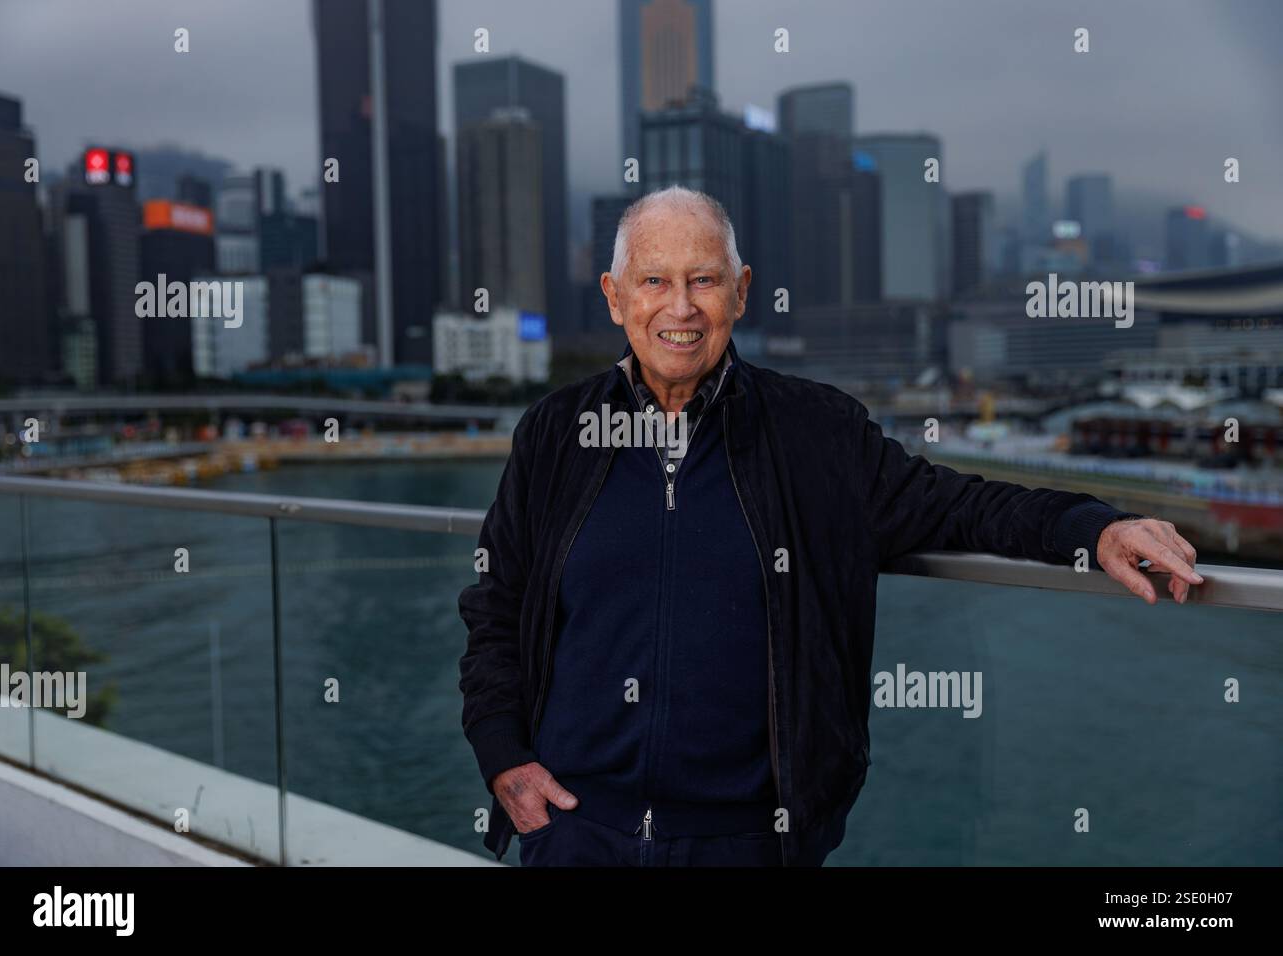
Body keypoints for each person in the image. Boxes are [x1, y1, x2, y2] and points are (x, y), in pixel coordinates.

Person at [457, 185, 1203, 867]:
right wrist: (502, 755)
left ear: (741, 292)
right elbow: (496, 602)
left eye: (704, 280)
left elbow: (959, 503)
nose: (679, 308)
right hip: (579, 830)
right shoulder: (557, 432)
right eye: (655, 281)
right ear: (615, 298)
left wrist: (1093, 529)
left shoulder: (816, 432)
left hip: (750, 841)